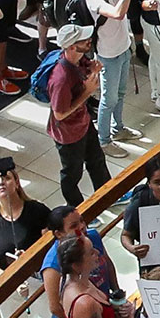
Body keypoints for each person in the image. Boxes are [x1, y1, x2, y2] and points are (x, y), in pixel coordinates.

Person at [45, 27, 113, 204]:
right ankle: (76, 208)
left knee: (97, 159)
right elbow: (59, 114)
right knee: (72, 173)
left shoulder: (79, 59)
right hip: (68, 134)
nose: (89, 40)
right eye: (84, 40)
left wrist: (93, 69)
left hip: (83, 122)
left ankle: (109, 194)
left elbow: (86, 72)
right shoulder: (60, 79)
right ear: (72, 47)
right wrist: (87, 93)